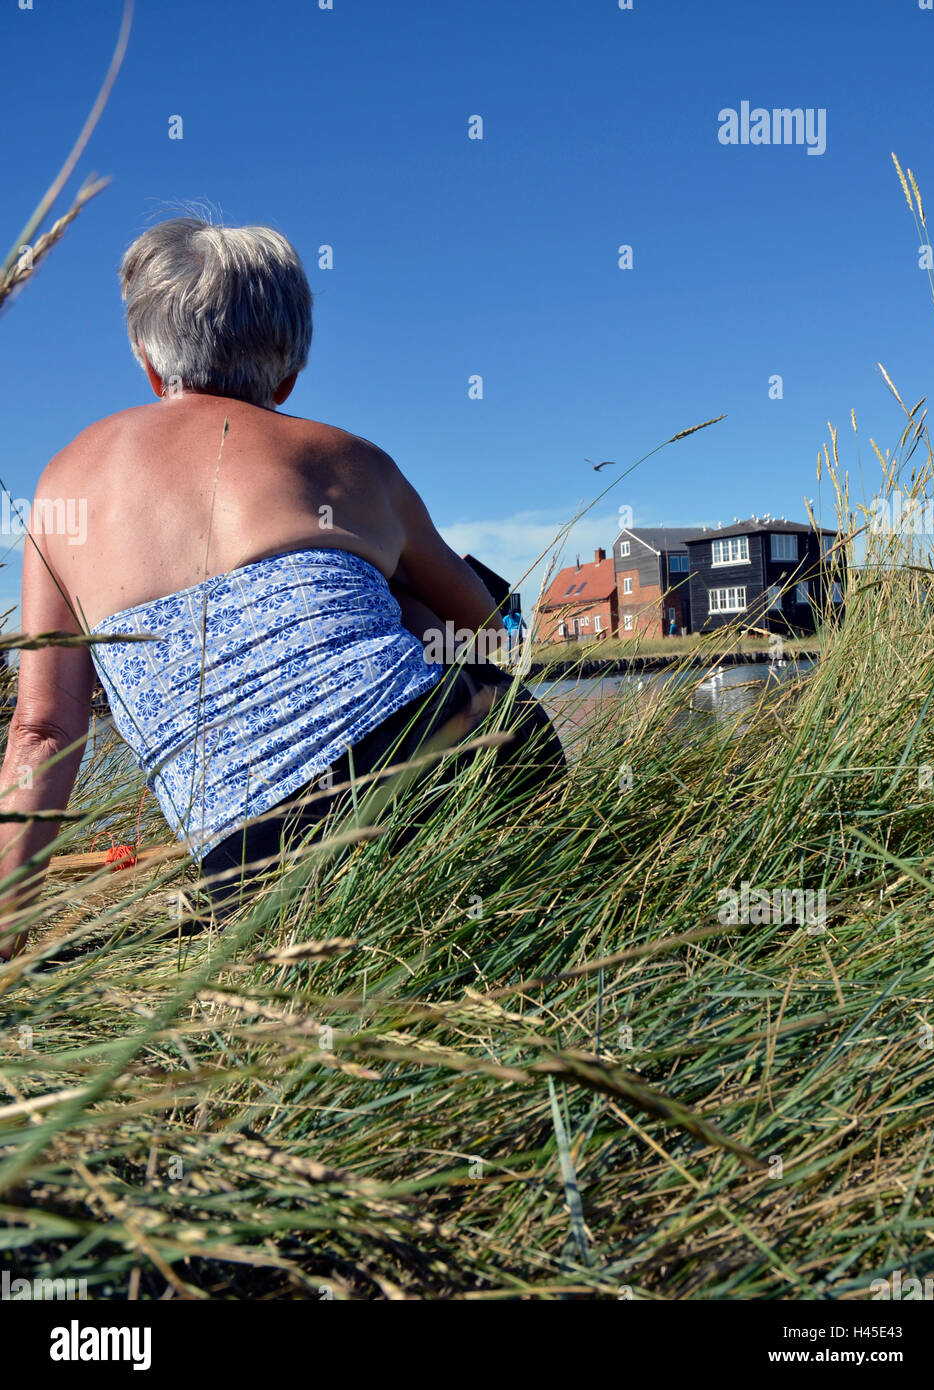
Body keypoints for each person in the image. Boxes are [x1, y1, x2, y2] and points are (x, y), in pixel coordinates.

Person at [0, 217, 564, 957]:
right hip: (468, 752)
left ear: (146, 359)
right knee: (406, 597)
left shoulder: (65, 483)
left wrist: (5, 937)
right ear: (290, 372)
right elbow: (492, 637)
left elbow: (44, 733)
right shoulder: (347, 459)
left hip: (263, 856)